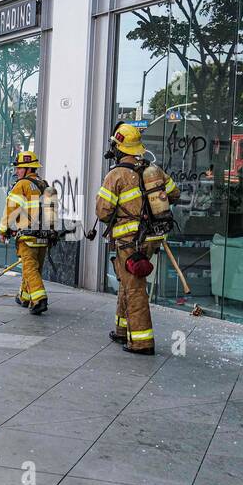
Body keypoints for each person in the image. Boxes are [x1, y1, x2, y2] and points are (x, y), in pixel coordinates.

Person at [94, 124, 180, 355]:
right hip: (151, 237)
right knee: (128, 281)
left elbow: (102, 212)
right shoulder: (153, 170)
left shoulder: (116, 175)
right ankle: (122, 330)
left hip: (129, 241)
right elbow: (174, 193)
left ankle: (142, 342)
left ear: (119, 148)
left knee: (134, 288)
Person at [0, 151, 50, 315]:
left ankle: (39, 299)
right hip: (44, 236)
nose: (16, 172)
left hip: (28, 236)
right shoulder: (45, 185)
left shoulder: (22, 185)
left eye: (19, 168)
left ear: (28, 169)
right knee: (34, 268)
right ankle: (25, 296)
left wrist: (4, 229)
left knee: (29, 268)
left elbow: (11, 209)